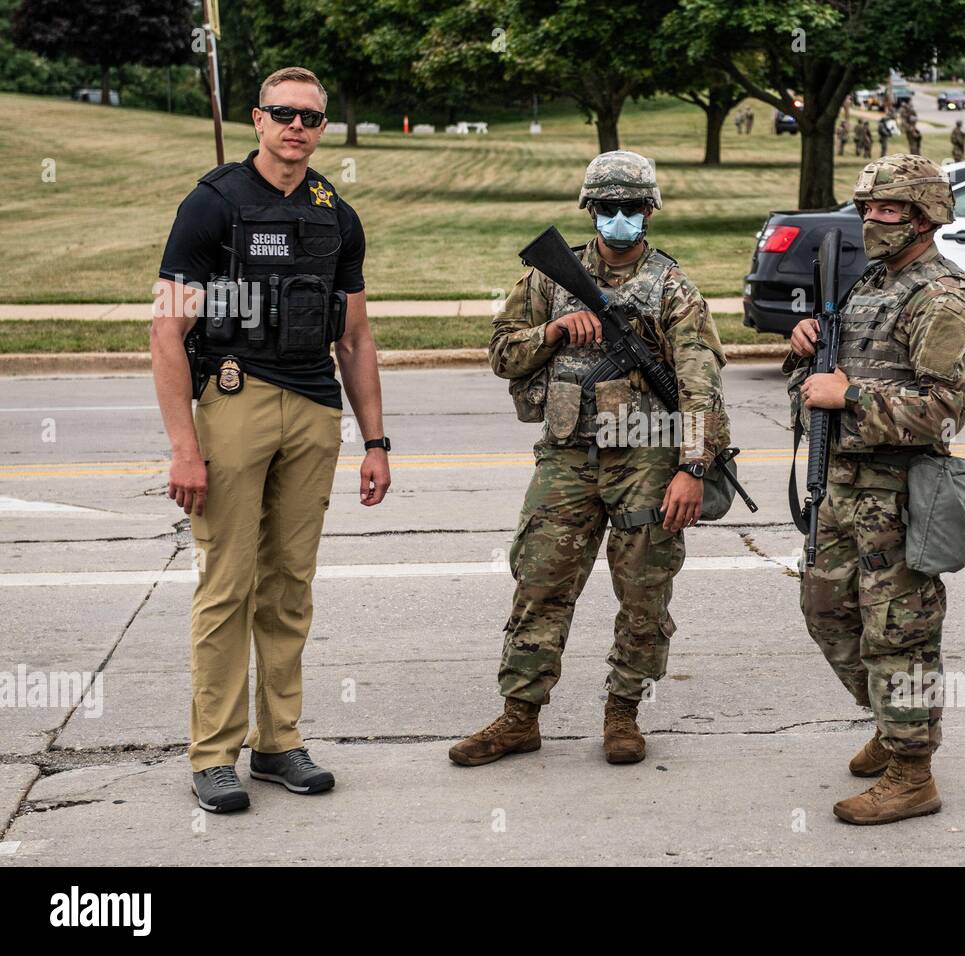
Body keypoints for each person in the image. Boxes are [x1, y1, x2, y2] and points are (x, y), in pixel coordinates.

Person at [152, 67, 392, 814]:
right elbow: (167, 330)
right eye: (284, 114)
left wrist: (376, 440)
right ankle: (213, 756)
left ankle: (278, 743)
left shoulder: (337, 214)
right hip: (234, 398)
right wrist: (184, 446)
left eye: (311, 118)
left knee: (289, 586)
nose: (297, 127)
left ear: (322, 129)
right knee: (228, 585)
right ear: (258, 119)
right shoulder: (213, 204)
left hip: (315, 407)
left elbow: (354, 337)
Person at [449, 150, 731, 768]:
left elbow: (699, 382)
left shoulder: (673, 288)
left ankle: (623, 713)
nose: (620, 218)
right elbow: (501, 353)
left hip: (647, 462)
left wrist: (692, 467)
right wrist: (552, 332)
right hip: (567, 456)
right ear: (590, 210)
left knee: (643, 595)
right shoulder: (550, 278)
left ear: (649, 212)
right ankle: (519, 716)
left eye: (632, 207)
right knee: (540, 583)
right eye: (608, 207)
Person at [784, 154, 965, 826]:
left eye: (889, 209)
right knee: (825, 609)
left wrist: (850, 393)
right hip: (842, 487)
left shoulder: (943, 297)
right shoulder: (874, 283)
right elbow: (837, 372)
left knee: (899, 634)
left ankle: (911, 770)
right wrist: (810, 348)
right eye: (866, 207)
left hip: (899, 496)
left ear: (926, 217)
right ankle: (890, 718)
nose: (872, 219)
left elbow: (945, 407)